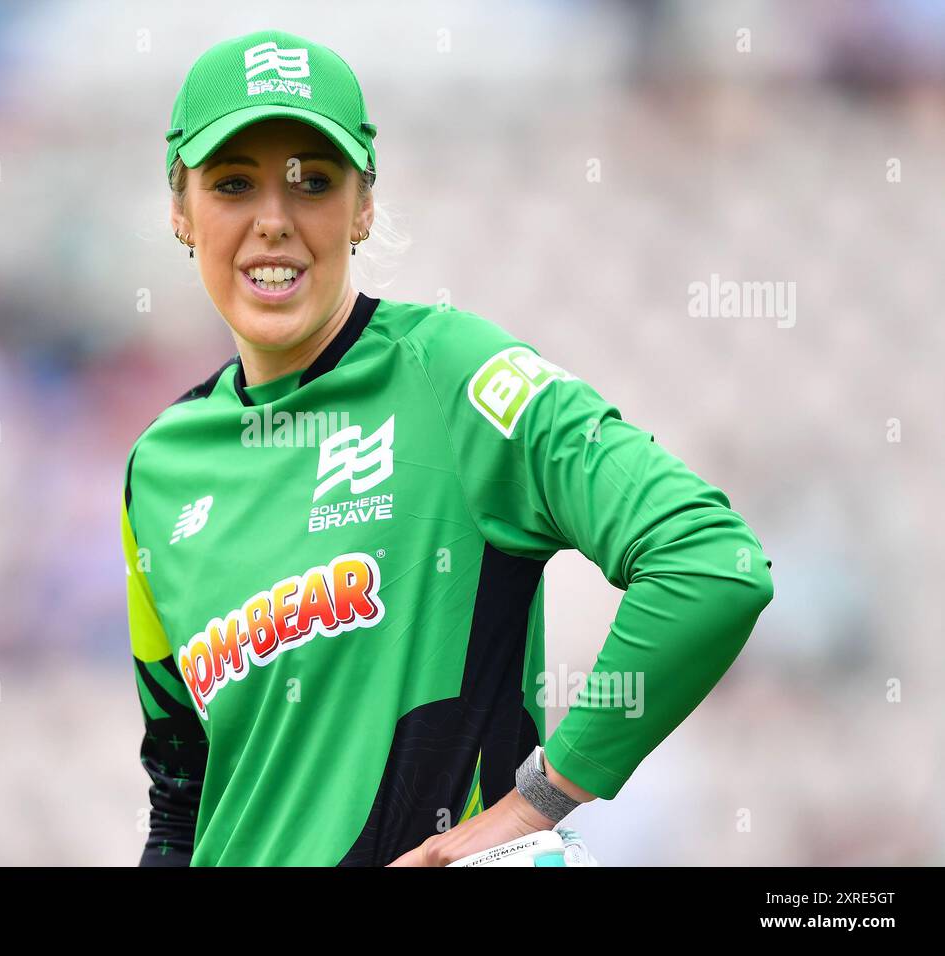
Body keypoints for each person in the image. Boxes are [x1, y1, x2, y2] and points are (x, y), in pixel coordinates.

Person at [122, 29, 774, 866]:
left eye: (313, 182)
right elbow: (180, 801)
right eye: (233, 183)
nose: (272, 223)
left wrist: (534, 805)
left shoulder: (453, 375)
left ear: (363, 206)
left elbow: (712, 564)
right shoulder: (160, 468)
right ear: (181, 210)